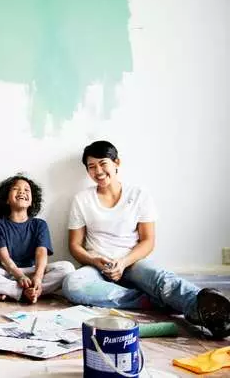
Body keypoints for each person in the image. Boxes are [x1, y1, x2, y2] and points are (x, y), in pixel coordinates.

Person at [62, 140, 230, 338]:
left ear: (117, 163)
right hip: (97, 267)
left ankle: (203, 309)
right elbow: (74, 245)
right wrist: (94, 261)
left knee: (161, 278)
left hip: (132, 262)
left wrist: (123, 262)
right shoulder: (82, 199)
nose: (98, 171)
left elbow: (148, 241)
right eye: (91, 167)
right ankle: (152, 301)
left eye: (103, 163)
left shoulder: (139, 194)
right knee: (72, 284)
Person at [0, 175, 74, 303]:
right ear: (6, 199)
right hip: (7, 272)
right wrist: (19, 276)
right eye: (16, 189)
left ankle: (26, 290)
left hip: (31, 271)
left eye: (27, 190)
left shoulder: (39, 225)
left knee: (67, 268)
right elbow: (4, 260)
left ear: (32, 201)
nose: (22, 192)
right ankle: (21, 291)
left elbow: (41, 253)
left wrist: (38, 277)